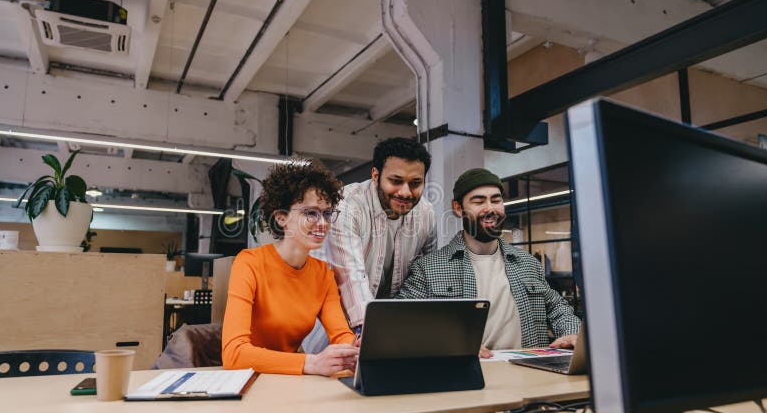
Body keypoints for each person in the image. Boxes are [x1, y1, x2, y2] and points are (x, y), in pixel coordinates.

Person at [397, 168, 580, 354]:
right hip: (466, 375)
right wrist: (449, 342)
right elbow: (401, 323)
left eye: (496, 200)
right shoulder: (428, 268)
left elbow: (557, 307)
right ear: (458, 208)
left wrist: (572, 333)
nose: (490, 209)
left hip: (530, 372)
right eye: (478, 201)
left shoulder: (528, 263)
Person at [221, 160, 358, 375]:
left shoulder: (323, 274)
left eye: (327, 214)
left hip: (290, 380)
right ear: (281, 217)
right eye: (311, 213)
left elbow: (341, 335)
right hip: (246, 378)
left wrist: (354, 350)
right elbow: (234, 354)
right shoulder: (249, 263)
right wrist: (310, 363)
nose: (322, 223)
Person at [324, 137, 437, 328]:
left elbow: (429, 272)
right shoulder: (347, 205)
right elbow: (350, 278)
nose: (405, 192)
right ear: (376, 176)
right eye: (396, 181)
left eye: (415, 183)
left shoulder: (425, 212)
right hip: (341, 326)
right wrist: (369, 331)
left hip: (393, 327)